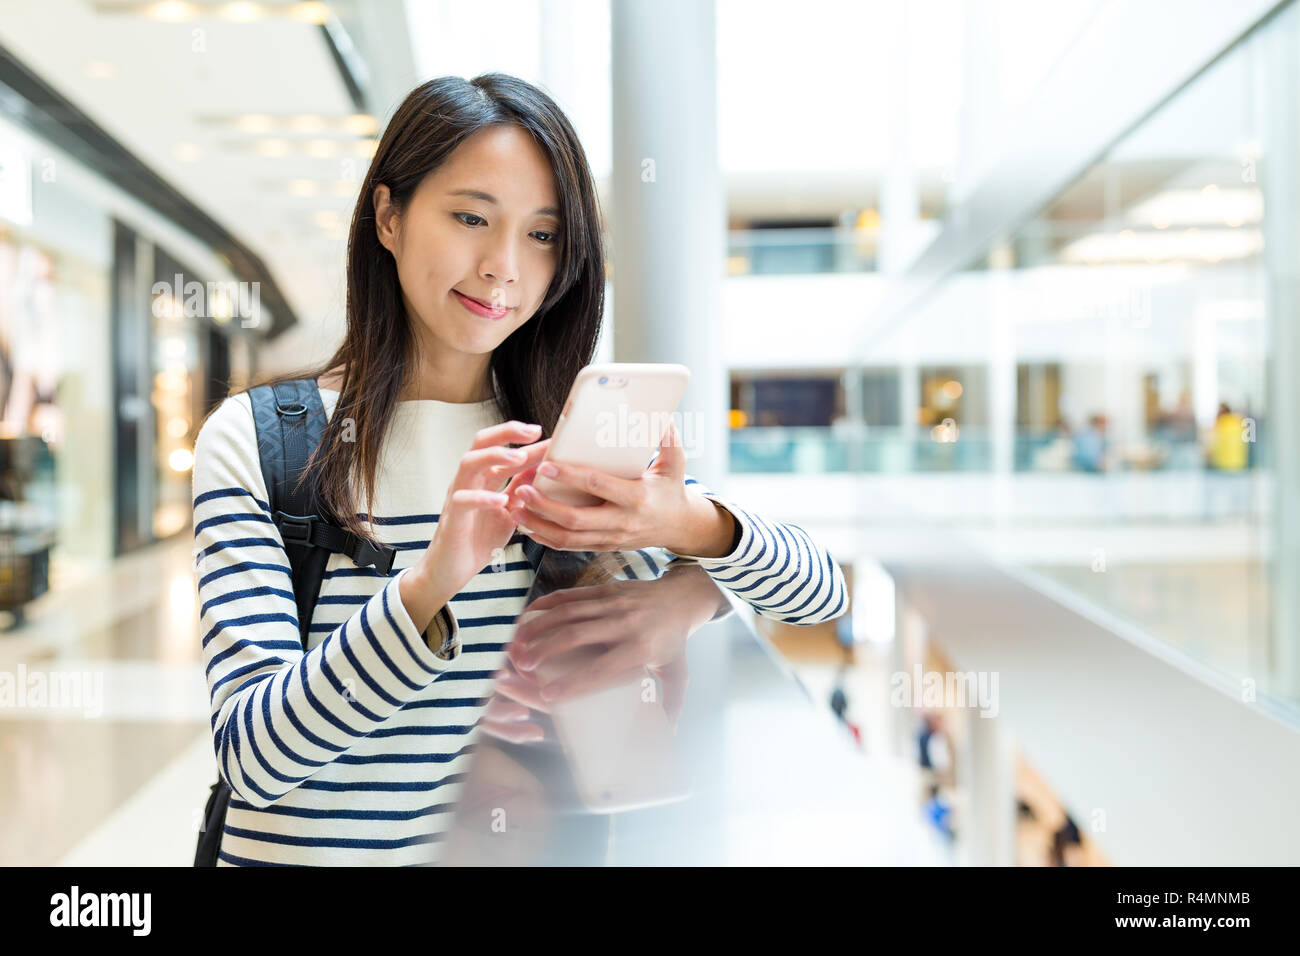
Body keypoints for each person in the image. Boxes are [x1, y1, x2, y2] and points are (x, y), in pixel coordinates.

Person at [191, 73, 848, 866]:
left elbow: (818, 592)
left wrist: (685, 555)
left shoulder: (564, 447)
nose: (504, 267)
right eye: (471, 217)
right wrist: (430, 583)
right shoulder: (264, 443)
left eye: (541, 235)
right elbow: (256, 760)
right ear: (389, 216)